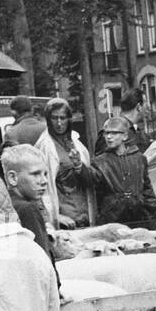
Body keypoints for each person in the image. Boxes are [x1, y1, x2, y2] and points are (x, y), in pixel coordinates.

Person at [1, 145, 60, 280]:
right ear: (12, 178)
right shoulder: (28, 209)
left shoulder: (4, 205)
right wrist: (56, 290)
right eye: (35, 174)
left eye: (45, 174)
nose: (44, 181)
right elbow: (42, 257)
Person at [36, 98, 96, 229]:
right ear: (48, 119)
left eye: (62, 118)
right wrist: (54, 216)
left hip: (85, 214)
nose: (59, 123)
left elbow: (89, 180)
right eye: (54, 118)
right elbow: (38, 188)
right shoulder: (45, 146)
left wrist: (79, 166)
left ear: (69, 119)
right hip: (64, 220)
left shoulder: (77, 142)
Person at [92, 117, 156, 225]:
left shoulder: (139, 158)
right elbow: (90, 180)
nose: (109, 137)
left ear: (124, 136)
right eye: (106, 133)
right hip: (112, 218)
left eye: (114, 133)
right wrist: (79, 166)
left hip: (139, 215)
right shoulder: (100, 162)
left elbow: (147, 190)